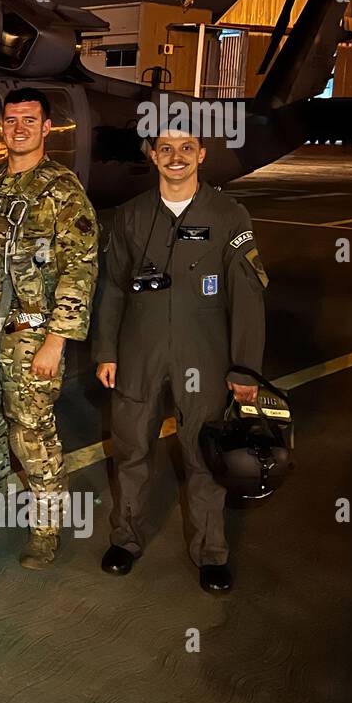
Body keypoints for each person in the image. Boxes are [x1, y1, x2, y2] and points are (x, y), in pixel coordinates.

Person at [93, 125, 268, 593]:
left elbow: (247, 295)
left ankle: (211, 552)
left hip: (204, 352)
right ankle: (125, 539)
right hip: (139, 351)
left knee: (204, 456)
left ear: (202, 154)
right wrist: (106, 350)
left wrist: (244, 367)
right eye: (165, 148)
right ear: (151, 156)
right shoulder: (130, 216)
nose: (176, 157)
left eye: (186, 148)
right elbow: (111, 287)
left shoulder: (230, 214)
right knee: (131, 450)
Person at [0, 89, 98, 569]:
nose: (18, 128)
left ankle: (46, 527)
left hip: (28, 330)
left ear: (46, 128)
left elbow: (80, 268)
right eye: (11, 120)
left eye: (28, 121)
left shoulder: (61, 189)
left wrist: (56, 341)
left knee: (31, 432)